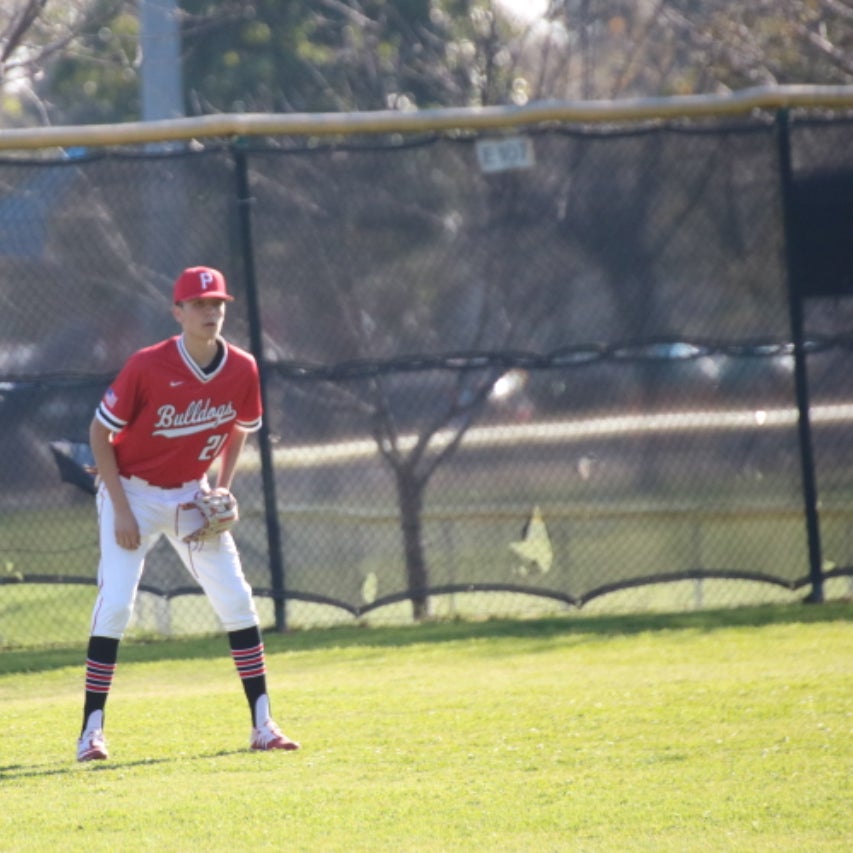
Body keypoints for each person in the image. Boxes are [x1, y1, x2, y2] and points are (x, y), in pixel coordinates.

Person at [77, 265, 299, 762]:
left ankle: (263, 725)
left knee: (238, 600)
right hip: (129, 491)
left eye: (217, 303)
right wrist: (120, 511)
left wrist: (223, 488)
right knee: (116, 605)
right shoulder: (147, 365)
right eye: (199, 304)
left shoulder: (242, 367)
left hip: (188, 498)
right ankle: (91, 732)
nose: (210, 312)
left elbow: (241, 425)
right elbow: (99, 434)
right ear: (177, 312)